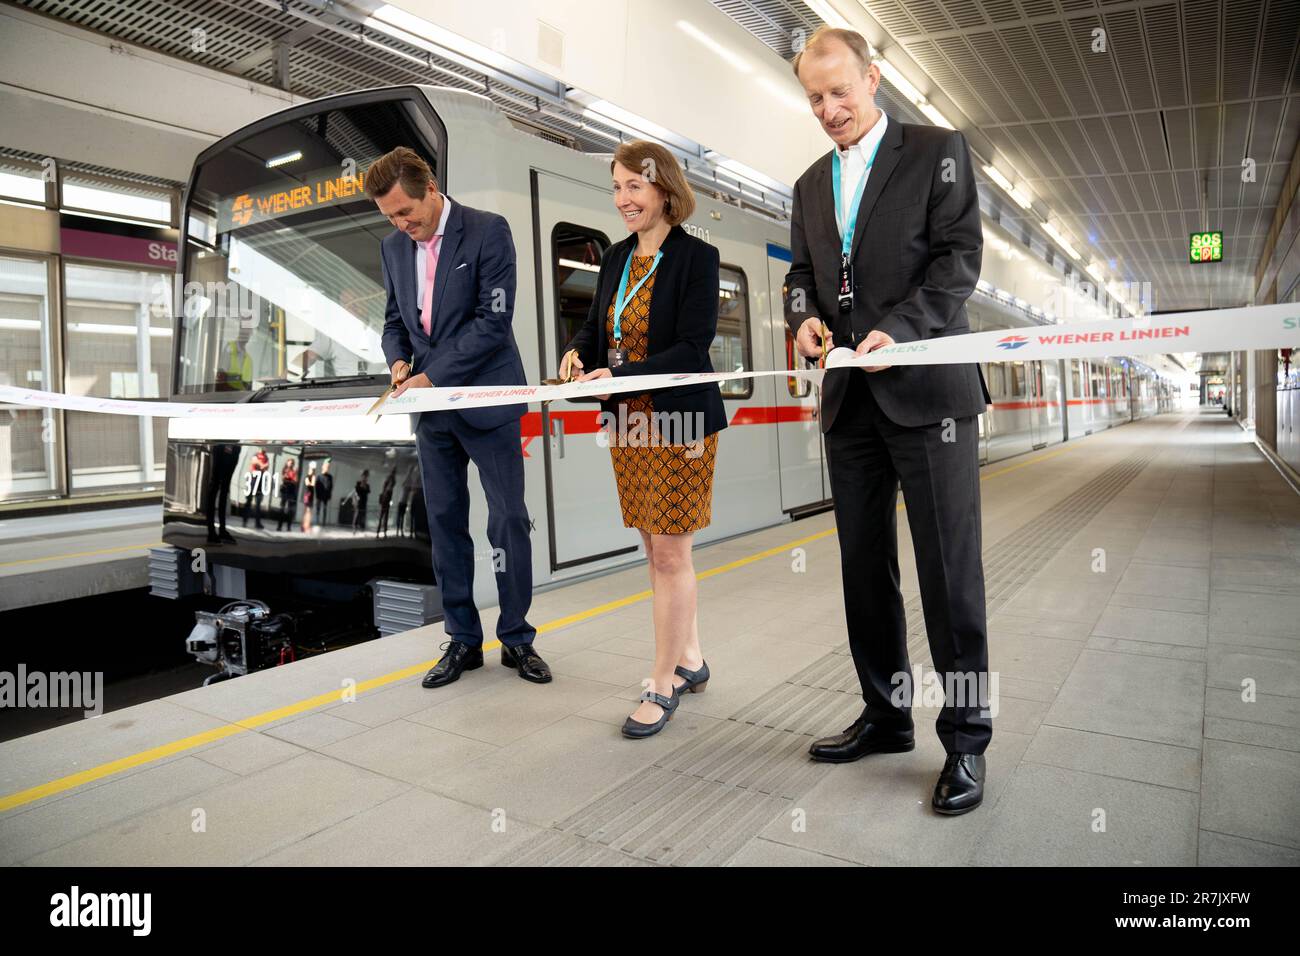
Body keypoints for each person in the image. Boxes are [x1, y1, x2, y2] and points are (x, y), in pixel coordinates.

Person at [785, 27, 993, 815]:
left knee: (950, 575)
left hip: (929, 395)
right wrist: (803, 316)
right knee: (864, 572)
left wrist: (900, 331)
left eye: (841, 91)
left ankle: (968, 738)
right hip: (850, 403)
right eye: (815, 98)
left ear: (873, 79)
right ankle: (886, 713)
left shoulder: (938, 150)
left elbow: (956, 262)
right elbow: (802, 274)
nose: (829, 109)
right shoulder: (808, 184)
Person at [364, 146, 549, 687]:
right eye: (391, 217)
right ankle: (463, 640)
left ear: (431, 189)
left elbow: (492, 323)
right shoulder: (393, 247)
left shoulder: (488, 231)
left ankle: (516, 638)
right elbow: (395, 320)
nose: (402, 225)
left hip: (487, 401)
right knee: (445, 526)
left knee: (507, 519)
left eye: (407, 212)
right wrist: (398, 360)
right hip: (432, 411)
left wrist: (430, 375)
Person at [559, 140, 725, 739]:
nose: (623, 199)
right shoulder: (616, 259)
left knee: (671, 553)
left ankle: (662, 681)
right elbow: (596, 323)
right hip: (628, 423)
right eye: (617, 187)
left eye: (634, 186)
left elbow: (691, 346)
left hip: (678, 422)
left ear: (664, 190)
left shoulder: (695, 259)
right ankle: (692, 656)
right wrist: (580, 351)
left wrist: (621, 374)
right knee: (653, 549)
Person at [276, 458, 299, 531]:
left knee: (290, 510)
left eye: (292, 463)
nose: (291, 464)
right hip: (285, 491)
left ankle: (288, 527)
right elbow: (284, 478)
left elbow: (295, 480)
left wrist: (290, 479)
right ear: (287, 463)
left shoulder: (294, 471)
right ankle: (279, 526)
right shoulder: (285, 470)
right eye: (290, 462)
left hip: (291, 491)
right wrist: (290, 479)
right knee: (282, 509)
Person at [314, 460, 333, 525]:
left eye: (328, 467)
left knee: (325, 509)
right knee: (318, 509)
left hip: (326, 496)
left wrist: (329, 495)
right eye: (326, 467)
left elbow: (330, 486)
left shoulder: (330, 477)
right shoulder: (319, 476)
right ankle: (317, 521)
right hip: (319, 495)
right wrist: (317, 495)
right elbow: (316, 487)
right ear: (323, 467)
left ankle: (324, 523)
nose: (327, 468)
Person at [301, 460, 316, 533]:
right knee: (307, 511)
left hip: (310, 495)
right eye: (311, 469)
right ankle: (305, 527)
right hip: (308, 495)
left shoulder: (312, 476)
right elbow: (310, 484)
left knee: (308, 511)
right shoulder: (308, 476)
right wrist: (311, 481)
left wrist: (311, 482)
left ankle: (305, 526)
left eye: (312, 469)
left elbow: (312, 484)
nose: (312, 470)